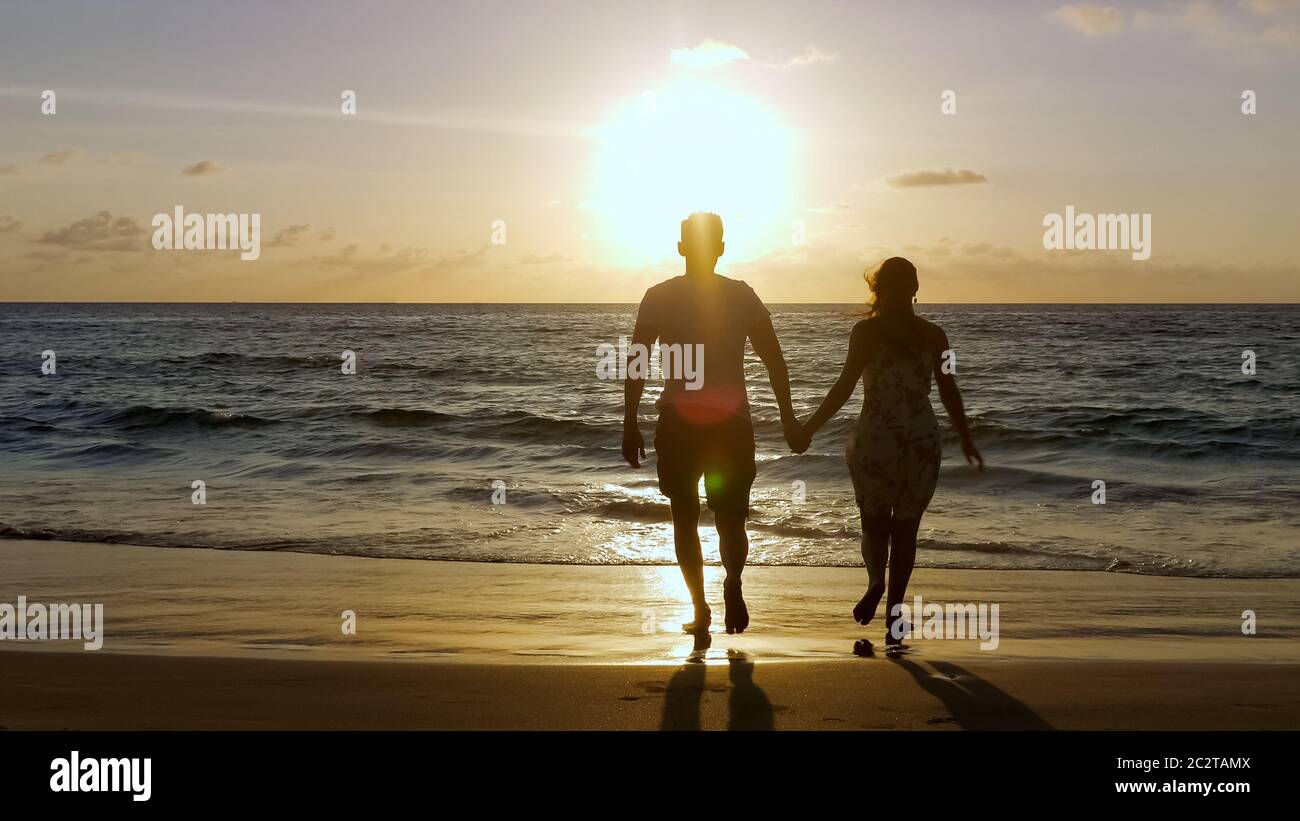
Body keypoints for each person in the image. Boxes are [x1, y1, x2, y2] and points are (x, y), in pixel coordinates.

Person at [622, 212, 800, 635]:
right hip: (729, 425)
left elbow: (637, 362)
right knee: (730, 518)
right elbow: (774, 360)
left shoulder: (660, 296)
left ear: (683, 247)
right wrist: (789, 418)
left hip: (681, 424)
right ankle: (731, 585)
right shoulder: (741, 295)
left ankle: (701, 607)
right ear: (719, 247)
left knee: (684, 517)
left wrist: (630, 421)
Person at [791, 257, 982, 648]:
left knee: (873, 524)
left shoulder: (865, 333)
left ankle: (875, 579)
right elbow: (948, 390)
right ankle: (895, 615)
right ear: (915, 288)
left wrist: (808, 428)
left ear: (877, 289)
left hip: (876, 437)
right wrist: (965, 437)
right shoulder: (935, 335)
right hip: (920, 440)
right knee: (907, 531)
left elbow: (844, 387)